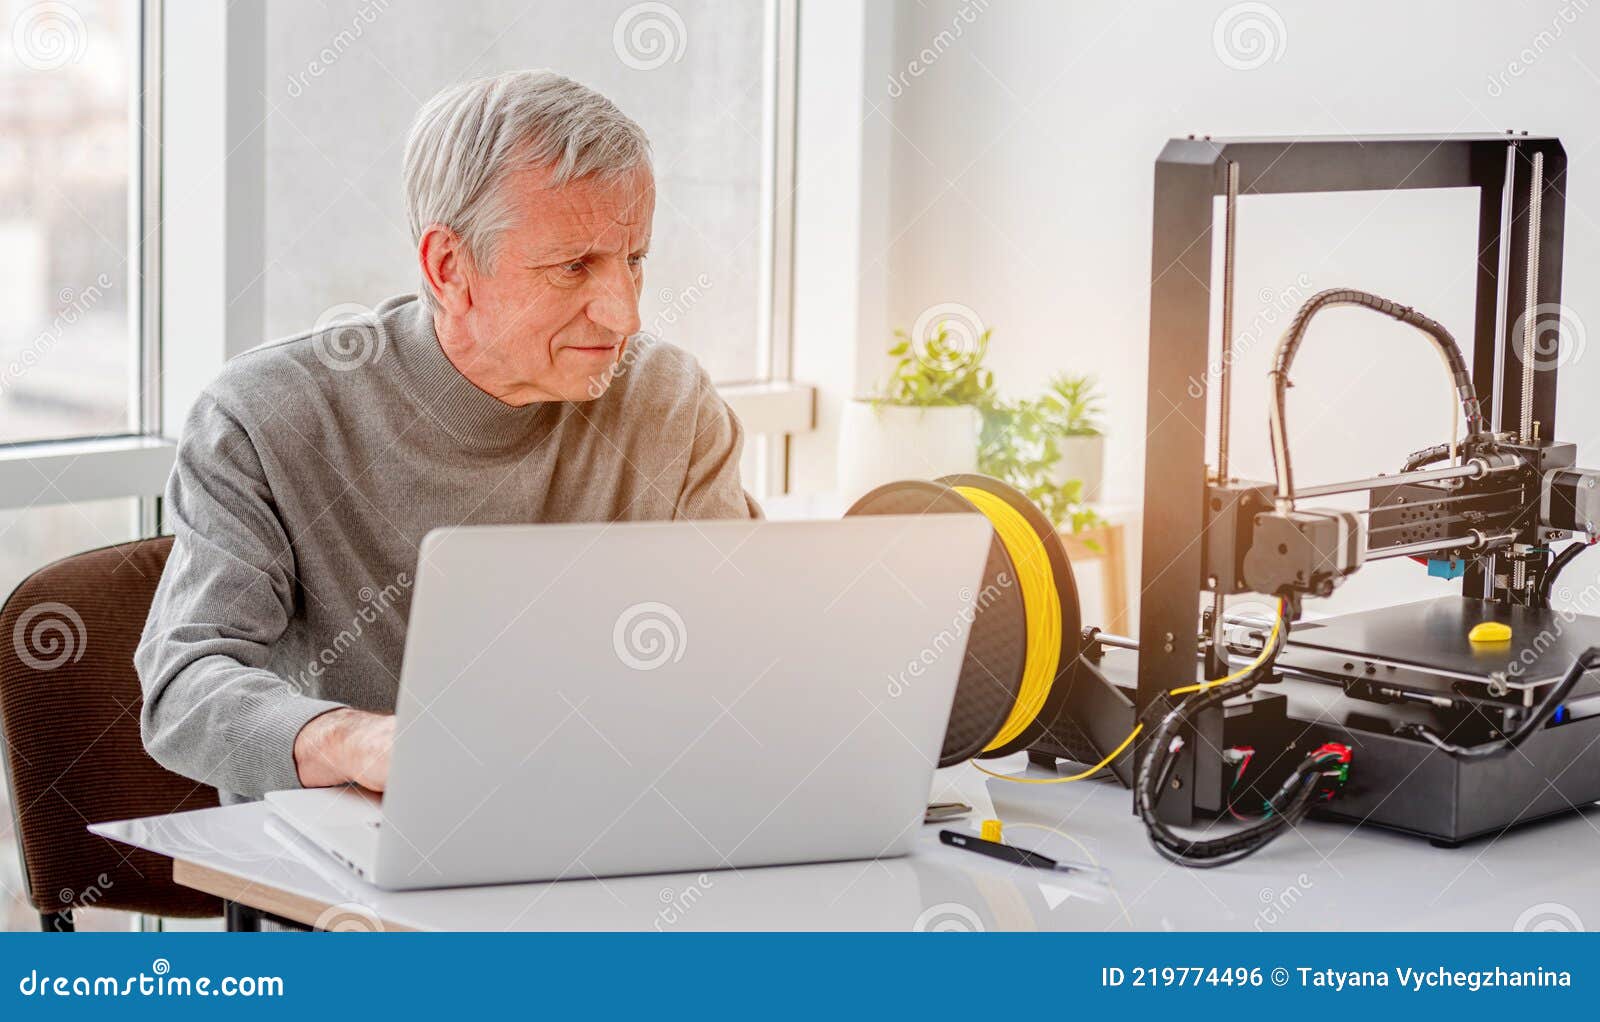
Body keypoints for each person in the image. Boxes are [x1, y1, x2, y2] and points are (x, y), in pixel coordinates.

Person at [136, 70, 758, 801]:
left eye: (635, 260)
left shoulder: (670, 402)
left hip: (612, 841)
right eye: (574, 267)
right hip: (353, 881)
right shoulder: (266, 416)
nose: (624, 314)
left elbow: (738, 655)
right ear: (450, 267)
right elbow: (183, 687)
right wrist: (355, 739)